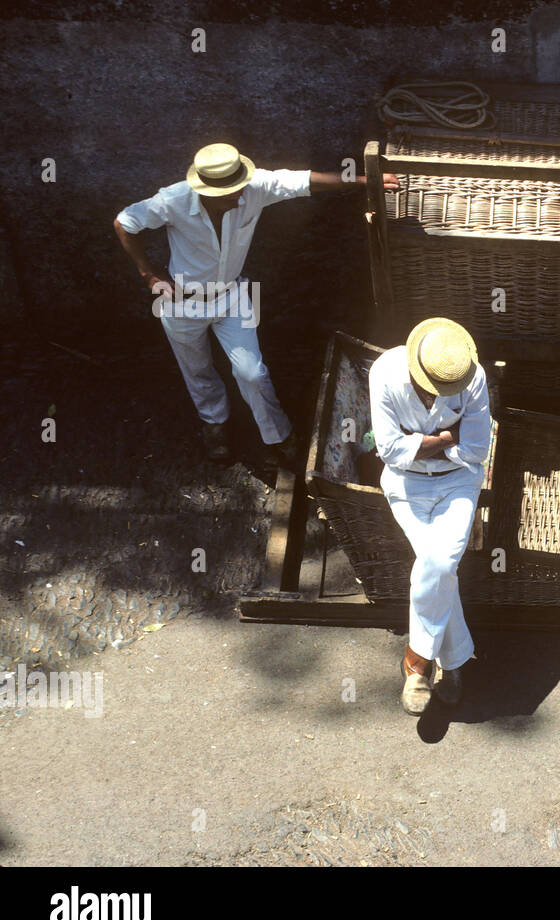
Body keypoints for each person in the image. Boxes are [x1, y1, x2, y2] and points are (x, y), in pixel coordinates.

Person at [114, 142, 397, 464]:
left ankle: (278, 435)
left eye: (241, 185)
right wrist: (149, 275)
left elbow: (302, 181)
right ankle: (214, 423)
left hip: (233, 298)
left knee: (252, 373)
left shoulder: (252, 188)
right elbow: (124, 222)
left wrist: (364, 181)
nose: (240, 195)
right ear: (206, 191)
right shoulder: (173, 201)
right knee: (197, 368)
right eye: (231, 191)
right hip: (182, 305)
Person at [369, 318, 491, 715]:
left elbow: (475, 450)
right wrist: (445, 439)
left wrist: (420, 443)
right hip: (406, 487)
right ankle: (453, 660)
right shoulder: (384, 374)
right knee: (439, 567)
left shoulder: (472, 376)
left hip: (459, 483)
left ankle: (417, 659)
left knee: (437, 562)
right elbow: (389, 450)